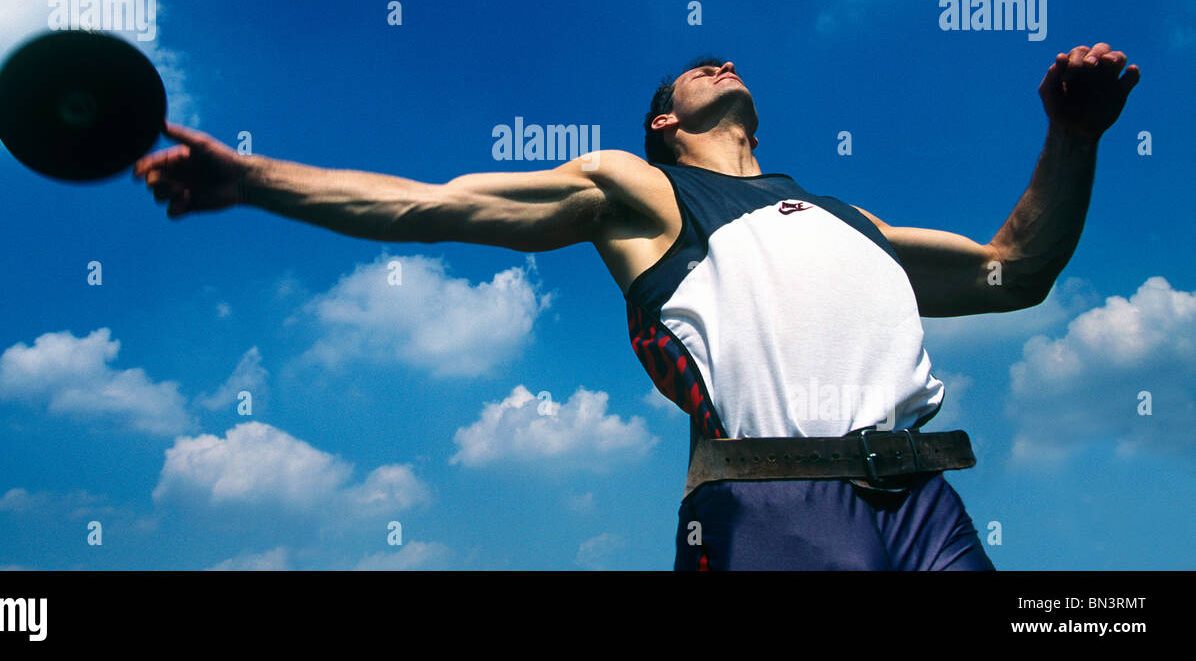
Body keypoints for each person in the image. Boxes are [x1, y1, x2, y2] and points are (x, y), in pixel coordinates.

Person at [133, 43, 1140, 570]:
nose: (721, 60)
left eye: (729, 61)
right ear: (665, 121)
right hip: (773, 502)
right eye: (694, 70)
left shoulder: (851, 218)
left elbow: (1018, 271)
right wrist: (253, 178)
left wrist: (1074, 136)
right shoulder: (639, 189)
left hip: (925, 502)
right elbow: (431, 206)